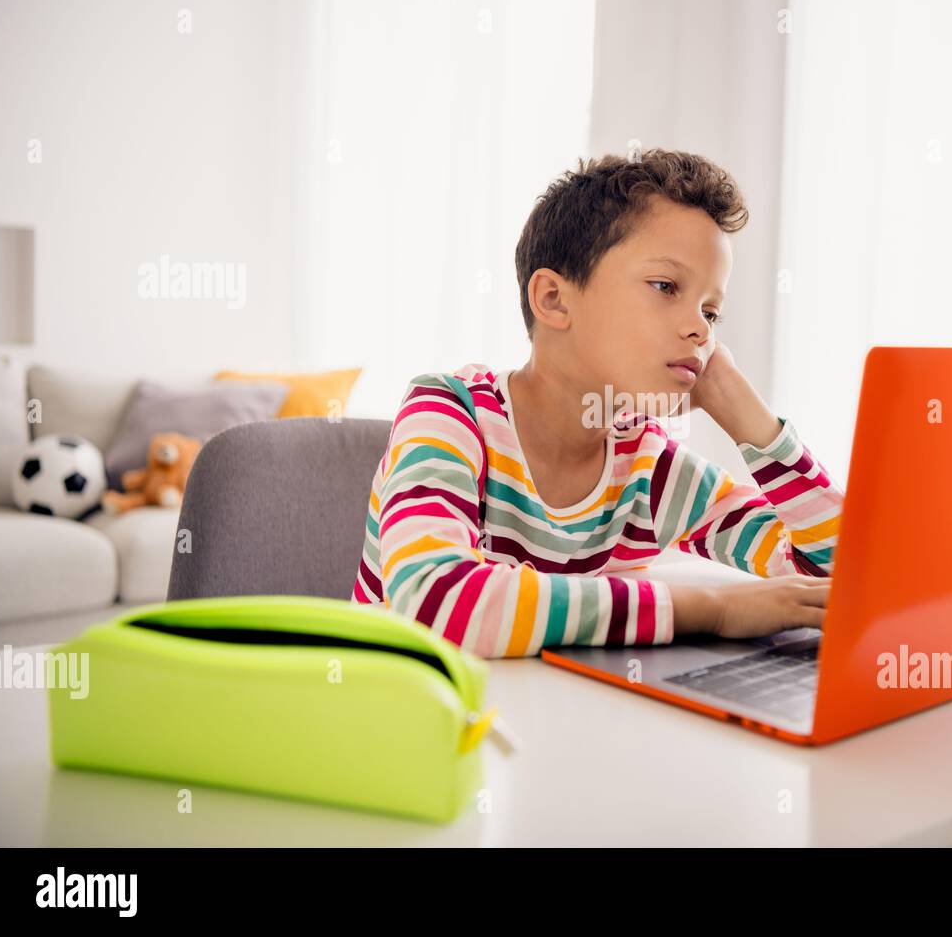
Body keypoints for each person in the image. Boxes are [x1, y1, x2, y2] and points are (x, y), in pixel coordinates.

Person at [351, 149, 843, 658]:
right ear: (555, 300)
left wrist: (744, 413)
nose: (700, 329)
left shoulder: (649, 468)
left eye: (711, 311)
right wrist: (712, 607)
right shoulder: (449, 413)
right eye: (666, 286)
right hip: (406, 723)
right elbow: (438, 603)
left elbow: (834, 578)